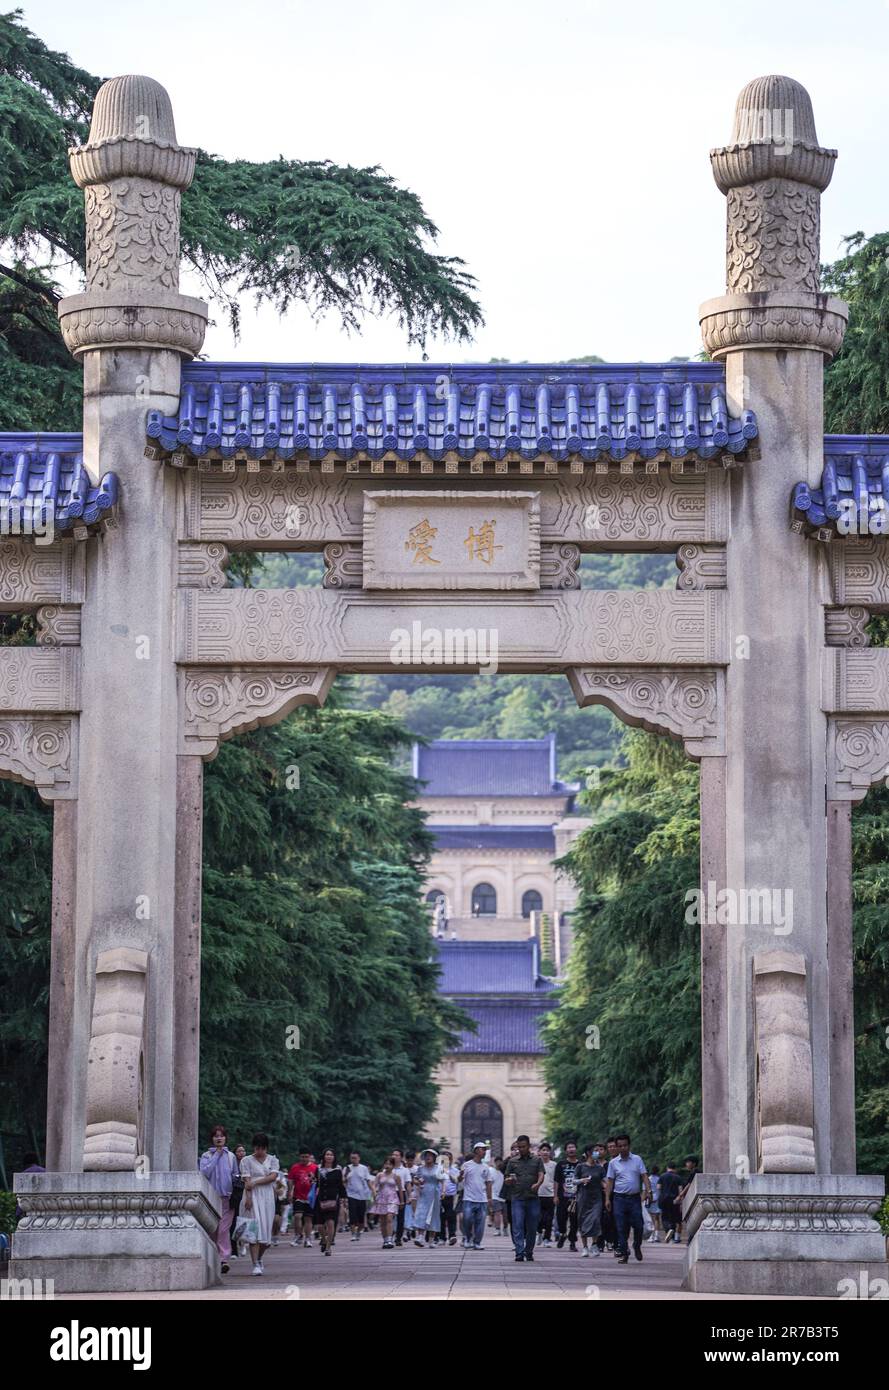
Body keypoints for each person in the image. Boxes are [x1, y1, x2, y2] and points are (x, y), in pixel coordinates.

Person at [604, 1133, 651, 1265]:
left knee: (639, 1225)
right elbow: (610, 1182)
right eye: (620, 1146)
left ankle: (637, 1245)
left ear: (629, 1145)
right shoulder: (613, 1163)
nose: (623, 1148)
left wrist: (648, 1191)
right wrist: (607, 1199)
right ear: (617, 1147)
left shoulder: (637, 1159)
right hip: (619, 1199)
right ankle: (624, 1253)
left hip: (635, 1199)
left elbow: (644, 1176)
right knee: (621, 1227)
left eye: (625, 1145)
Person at [199, 1123, 239, 1273]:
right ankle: (214, 1257)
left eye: (221, 1136)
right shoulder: (206, 1156)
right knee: (213, 1229)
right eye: (216, 1136)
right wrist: (217, 1154)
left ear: (225, 1138)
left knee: (223, 1230)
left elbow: (235, 1174)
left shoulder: (231, 1156)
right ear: (212, 1139)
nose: (219, 1138)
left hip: (227, 1198)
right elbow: (205, 1173)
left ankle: (224, 1259)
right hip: (211, 1198)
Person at [240, 1133, 280, 1275]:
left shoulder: (273, 1160)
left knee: (265, 1236)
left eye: (262, 1148)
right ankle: (255, 1264)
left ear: (266, 1148)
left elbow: (273, 1177)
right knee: (254, 1230)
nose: (259, 1151)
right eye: (257, 1148)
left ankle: (260, 1258)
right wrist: (249, 1198)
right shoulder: (246, 1160)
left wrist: (256, 1182)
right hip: (252, 1196)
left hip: (267, 1196)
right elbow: (247, 1182)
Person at [503, 1134, 545, 1263]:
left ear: (529, 1146)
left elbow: (541, 1174)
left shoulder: (537, 1160)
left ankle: (529, 1251)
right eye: (519, 1147)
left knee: (532, 1226)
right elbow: (506, 1179)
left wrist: (537, 1184)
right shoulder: (512, 1161)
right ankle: (519, 1252)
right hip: (517, 1198)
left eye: (523, 1147)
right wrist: (509, 1180)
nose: (521, 1149)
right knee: (518, 1225)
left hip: (532, 1198)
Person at [460, 1142, 493, 1250]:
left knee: (480, 1222)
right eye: (482, 1149)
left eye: (485, 1149)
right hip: (468, 1198)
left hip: (482, 1199)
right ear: (476, 1150)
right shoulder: (466, 1165)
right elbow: (459, 1180)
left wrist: (489, 1198)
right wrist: (460, 1176)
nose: (484, 1151)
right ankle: (468, 1238)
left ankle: (477, 1242)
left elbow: (488, 1183)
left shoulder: (485, 1167)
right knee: (467, 1219)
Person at [313, 1149, 346, 1255]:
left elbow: (340, 1185)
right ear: (323, 1156)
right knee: (319, 1225)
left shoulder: (337, 1170)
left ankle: (328, 1247)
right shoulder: (318, 1169)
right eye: (327, 1154)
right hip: (320, 1198)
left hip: (333, 1199)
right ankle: (323, 1239)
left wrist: (343, 1197)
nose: (329, 1156)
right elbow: (315, 1183)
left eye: (331, 1154)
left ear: (334, 1157)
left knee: (331, 1223)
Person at [575, 1144, 605, 1258]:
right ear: (588, 1153)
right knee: (582, 1220)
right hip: (583, 1198)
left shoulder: (600, 1168)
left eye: (598, 1151)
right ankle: (584, 1247)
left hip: (597, 1198)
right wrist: (582, 1180)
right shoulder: (580, 1167)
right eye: (595, 1151)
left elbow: (604, 1180)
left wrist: (607, 1186)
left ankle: (594, 1244)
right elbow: (573, 1181)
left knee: (596, 1220)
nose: (598, 1153)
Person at [412, 1149, 445, 1246]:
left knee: (434, 1215)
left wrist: (443, 1191)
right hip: (424, 1192)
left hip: (435, 1192)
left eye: (430, 1155)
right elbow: (415, 1179)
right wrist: (418, 1182)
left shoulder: (439, 1168)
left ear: (435, 1157)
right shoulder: (420, 1168)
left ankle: (431, 1239)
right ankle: (420, 1237)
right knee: (421, 1213)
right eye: (427, 1155)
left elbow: (443, 1180)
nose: (428, 1157)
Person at [287, 1147, 318, 1248]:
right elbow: (290, 1181)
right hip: (298, 1196)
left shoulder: (315, 1168)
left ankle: (308, 1238)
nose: (304, 1159)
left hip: (310, 1197)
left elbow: (318, 1182)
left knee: (308, 1218)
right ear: (299, 1157)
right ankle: (298, 1235)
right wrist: (290, 1192)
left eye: (306, 1157)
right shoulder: (295, 1167)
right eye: (302, 1157)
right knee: (297, 1216)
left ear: (310, 1157)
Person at [371, 1156, 403, 1248]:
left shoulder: (396, 1177)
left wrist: (402, 1201)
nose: (387, 1165)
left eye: (390, 1164)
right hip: (381, 1199)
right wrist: (374, 1193)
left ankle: (389, 1240)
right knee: (383, 1221)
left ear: (393, 1165)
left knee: (389, 1218)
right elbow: (374, 1185)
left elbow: (400, 1189)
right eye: (386, 1163)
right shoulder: (379, 1175)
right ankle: (385, 1240)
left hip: (392, 1199)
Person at [554, 1140, 580, 1251]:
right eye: (569, 1147)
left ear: (576, 1149)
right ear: (566, 1151)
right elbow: (556, 1181)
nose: (571, 1149)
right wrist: (555, 1196)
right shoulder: (561, 1164)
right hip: (562, 1196)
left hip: (576, 1197)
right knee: (561, 1219)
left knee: (574, 1221)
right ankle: (563, 1234)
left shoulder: (581, 1164)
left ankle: (572, 1242)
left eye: (573, 1147)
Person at [343, 1149, 373, 1241]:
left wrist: (373, 1191)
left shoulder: (364, 1168)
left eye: (355, 1158)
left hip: (362, 1196)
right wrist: (346, 1176)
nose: (353, 1160)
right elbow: (343, 1181)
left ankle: (359, 1232)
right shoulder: (347, 1168)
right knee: (352, 1216)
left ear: (359, 1158)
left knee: (361, 1218)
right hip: (351, 1195)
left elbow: (368, 1181)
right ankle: (353, 1233)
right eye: (352, 1158)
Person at [536, 1141, 556, 1247]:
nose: (545, 1152)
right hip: (538, 1194)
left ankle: (547, 1239)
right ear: (539, 1152)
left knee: (549, 1219)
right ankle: (539, 1233)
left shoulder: (554, 1165)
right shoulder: (536, 1163)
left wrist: (556, 1195)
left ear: (550, 1152)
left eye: (547, 1150)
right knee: (538, 1217)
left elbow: (556, 1181)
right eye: (543, 1150)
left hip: (550, 1195)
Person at [658, 1162, 683, 1243]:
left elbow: (658, 1187)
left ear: (667, 1167)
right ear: (675, 1168)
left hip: (664, 1199)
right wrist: (680, 1200)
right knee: (673, 1216)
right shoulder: (678, 1177)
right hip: (674, 1200)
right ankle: (672, 1230)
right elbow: (680, 1190)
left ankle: (667, 1230)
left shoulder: (662, 1176)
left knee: (664, 1216)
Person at [439, 1151, 459, 1245]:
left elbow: (457, 1182)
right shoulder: (437, 1170)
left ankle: (452, 1235)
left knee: (451, 1216)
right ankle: (442, 1237)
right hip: (439, 1197)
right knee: (441, 1217)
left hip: (451, 1196)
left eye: (449, 1158)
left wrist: (449, 1173)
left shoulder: (455, 1170)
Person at [229, 1143, 246, 1255]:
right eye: (239, 1151)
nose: (241, 1153)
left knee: (244, 1220)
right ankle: (234, 1249)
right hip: (235, 1195)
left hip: (245, 1194)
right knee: (234, 1222)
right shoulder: (231, 1164)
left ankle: (243, 1243)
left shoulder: (248, 1163)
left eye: (243, 1151)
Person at [490, 1157, 507, 1236]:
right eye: (497, 1162)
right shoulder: (491, 1171)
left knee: (505, 1214)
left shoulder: (505, 1172)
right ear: (495, 1162)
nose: (499, 1164)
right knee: (497, 1212)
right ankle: (497, 1229)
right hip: (494, 1196)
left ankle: (505, 1228)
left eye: (500, 1162)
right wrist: (489, 1196)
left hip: (504, 1196)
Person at [647, 1165, 662, 1242]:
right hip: (658, 1199)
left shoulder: (648, 1179)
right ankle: (656, 1235)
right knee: (657, 1218)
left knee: (651, 1218)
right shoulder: (659, 1179)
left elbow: (645, 1190)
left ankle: (652, 1236)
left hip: (650, 1199)